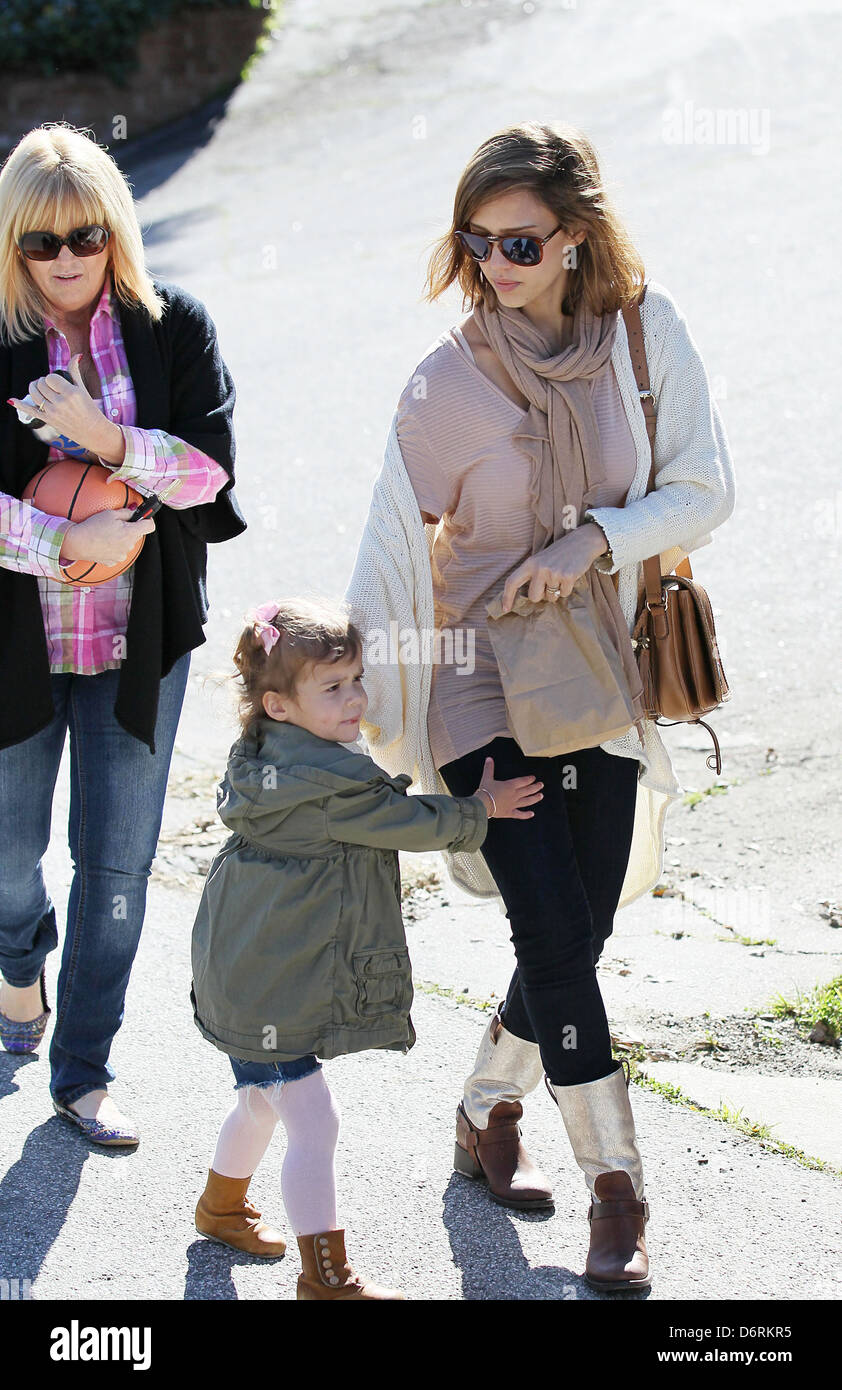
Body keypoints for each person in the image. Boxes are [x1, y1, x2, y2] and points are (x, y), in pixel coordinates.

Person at [344, 121, 735, 1291]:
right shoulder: (445, 382)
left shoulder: (641, 338)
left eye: (518, 242)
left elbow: (704, 490)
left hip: (593, 664)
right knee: (554, 936)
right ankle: (617, 1189)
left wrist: (592, 539)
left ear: (573, 239)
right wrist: (344, 695)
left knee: (585, 924)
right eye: (476, 244)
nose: (494, 265)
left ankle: (481, 1107)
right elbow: (388, 555)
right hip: (475, 683)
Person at [0, 124, 245, 1146]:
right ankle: (20, 965)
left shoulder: (170, 326)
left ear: (114, 231)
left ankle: (85, 1069)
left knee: (115, 870)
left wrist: (105, 439)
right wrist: (65, 541)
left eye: (85, 234)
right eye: (40, 241)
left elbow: (210, 473)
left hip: (136, 648)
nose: (65, 258)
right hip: (15, 642)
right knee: (11, 858)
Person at [189, 596, 542, 1300]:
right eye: (333, 687)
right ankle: (326, 1277)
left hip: (242, 961)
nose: (355, 698)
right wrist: (483, 809)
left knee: (262, 1099)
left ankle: (221, 1208)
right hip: (275, 975)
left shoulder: (266, 752)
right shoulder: (330, 782)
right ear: (278, 704)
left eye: (356, 678)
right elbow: (402, 820)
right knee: (313, 1119)